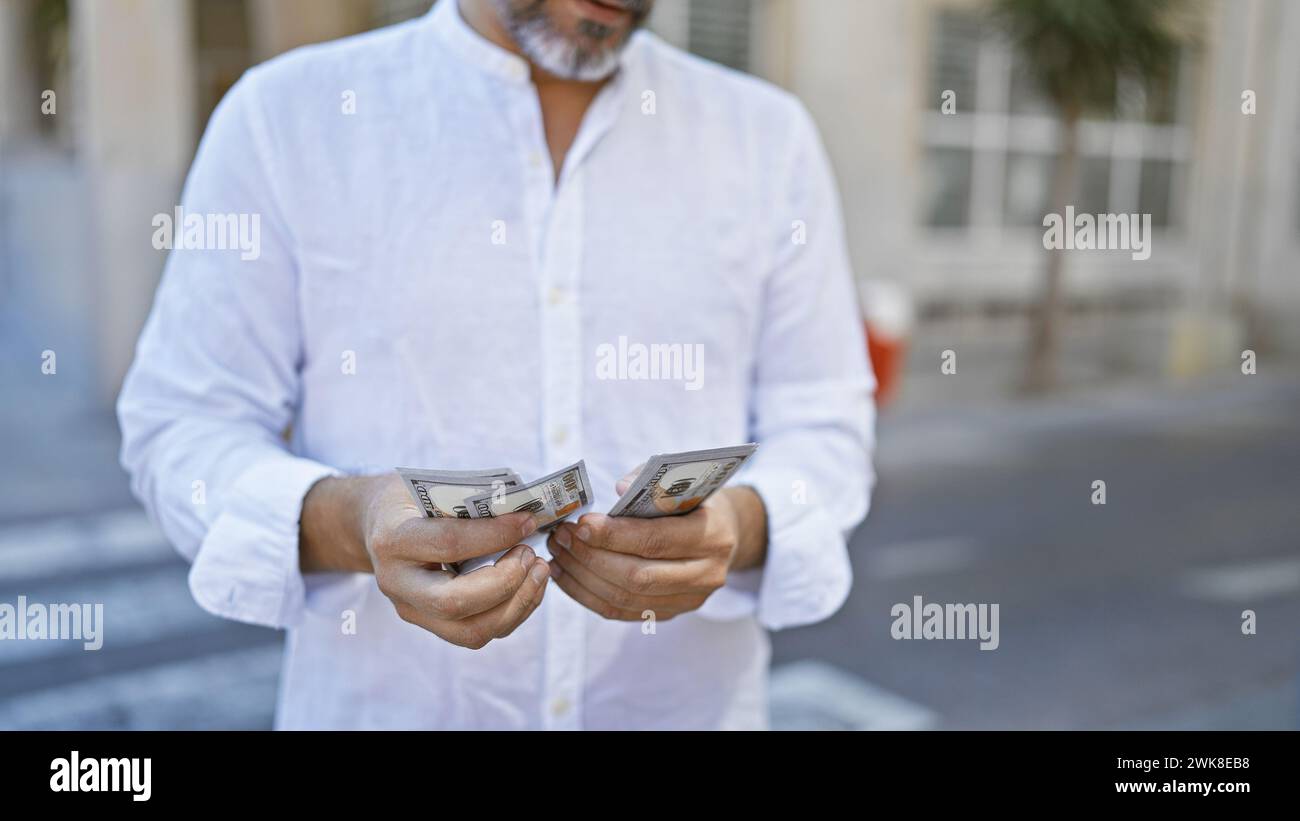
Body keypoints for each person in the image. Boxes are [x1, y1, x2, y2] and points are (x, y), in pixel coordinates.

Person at [118, 0, 875, 729]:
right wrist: (352, 522)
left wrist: (740, 525)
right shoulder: (284, 121)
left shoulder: (769, 141)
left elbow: (825, 426)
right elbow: (183, 426)